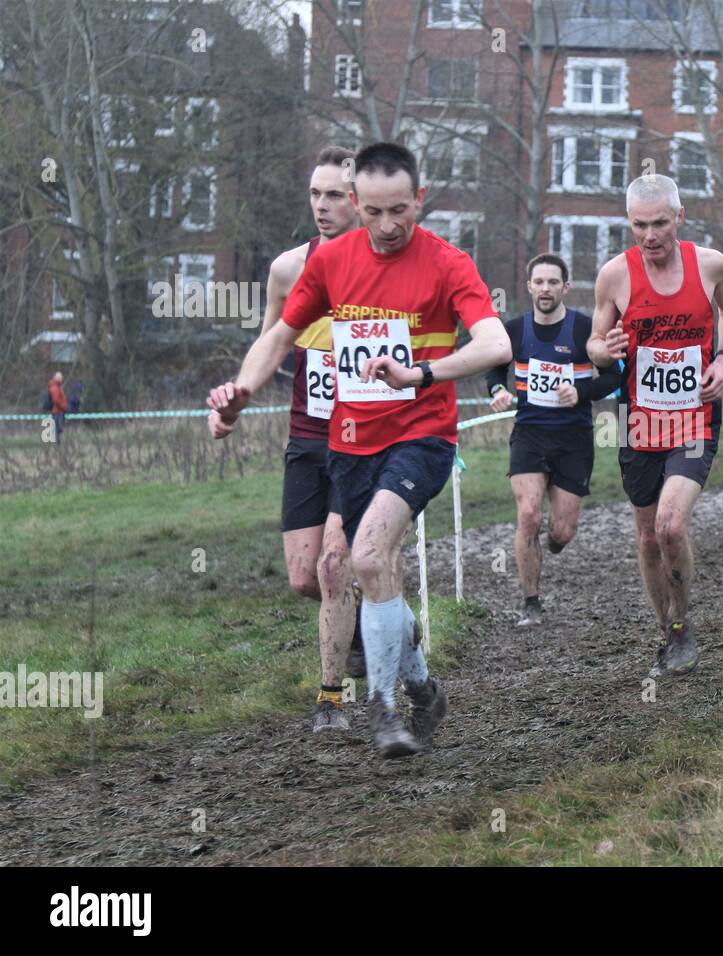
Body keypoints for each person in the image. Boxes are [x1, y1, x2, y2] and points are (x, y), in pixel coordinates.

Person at [207, 141, 511, 757]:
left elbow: (495, 344)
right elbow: (277, 337)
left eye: (400, 209)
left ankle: (384, 709)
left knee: (369, 557)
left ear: (419, 199)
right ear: (356, 203)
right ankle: (423, 682)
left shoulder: (449, 263)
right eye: (373, 211)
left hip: (421, 436)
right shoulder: (331, 262)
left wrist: (422, 374)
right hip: (349, 443)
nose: (388, 225)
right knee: (336, 570)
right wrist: (240, 391)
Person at [210, 146, 366, 734]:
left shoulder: (383, 267)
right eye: (316, 194)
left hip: (362, 440)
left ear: (360, 200)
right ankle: (385, 623)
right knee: (304, 578)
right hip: (306, 435)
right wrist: (235, 402)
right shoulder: (287, 268)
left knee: (332, 567)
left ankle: (331, 700)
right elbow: (271, 341)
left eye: (336, 195)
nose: (324, 206)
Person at [588, 174, 723, 678]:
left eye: (659, 223)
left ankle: (683, 625)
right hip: (639, 423)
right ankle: (668, 630)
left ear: (680, 217)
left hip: (695, 416)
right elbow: (593, 343)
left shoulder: (711, 264)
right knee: (648, 538)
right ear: (628, 223)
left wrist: (721, 359)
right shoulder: (615, 275)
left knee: (671, 525)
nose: (649, 235)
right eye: (639, 225)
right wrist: (603, 350)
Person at [485, 253, 621, 627]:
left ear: (565, 287)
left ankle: (555, 541)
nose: (545, 289)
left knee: (561, 532)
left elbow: (615, 376)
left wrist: (582, 390)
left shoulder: (583, 329)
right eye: (538, 282)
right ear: (529, 286)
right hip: (529, 432)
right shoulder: (514, 330)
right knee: (528, 515)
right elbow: (495, 367)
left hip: (574, 438)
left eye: (552, 282)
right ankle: (531, 603)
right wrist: (496, 388)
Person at [47, 371, 68, 442]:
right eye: (60, 377)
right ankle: (56, 443)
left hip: (59, 411)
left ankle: (56, 443)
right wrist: (63, 406)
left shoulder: (57, 387)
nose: (61, 378)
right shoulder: (54, 388)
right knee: (57, 429)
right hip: (58, 411)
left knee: (58, 429)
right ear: (56, 378)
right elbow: (56, 400)